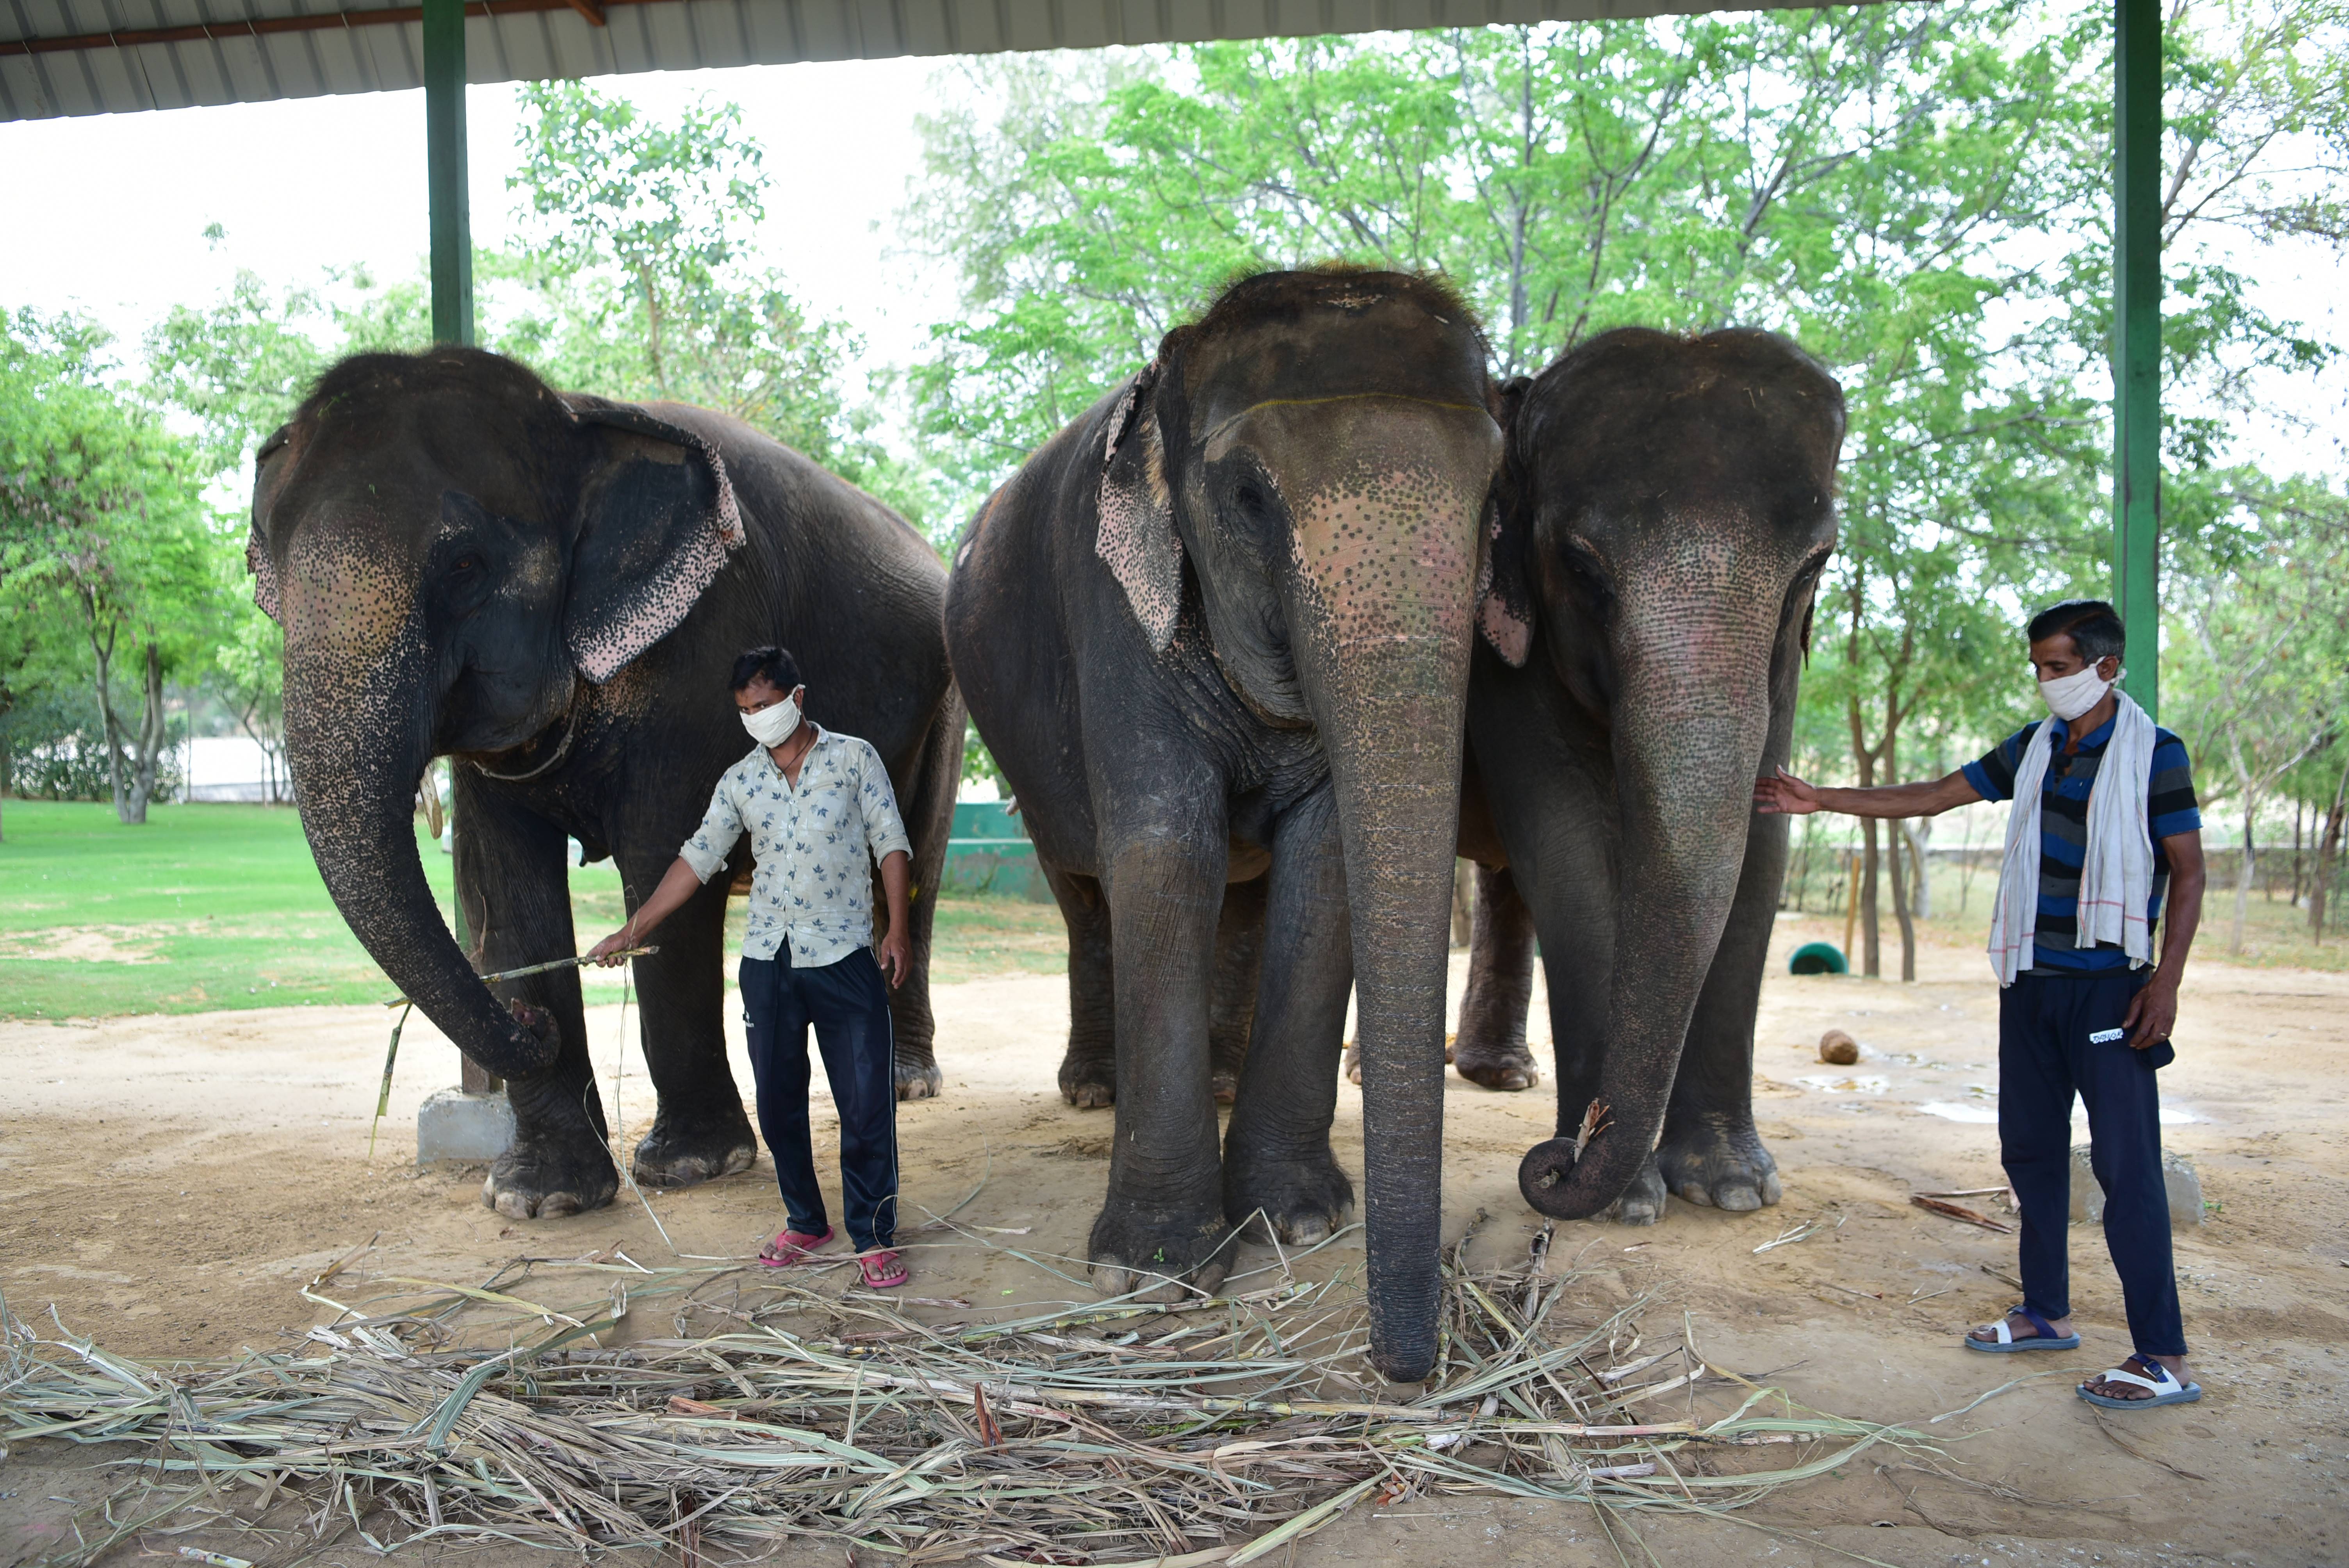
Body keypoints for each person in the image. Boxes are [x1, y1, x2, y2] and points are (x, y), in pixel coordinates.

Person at [1754, 600, 2207, 1411]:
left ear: (2106, 666)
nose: (2045, 682)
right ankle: (2044, 1313)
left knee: (2125, 1168)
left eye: (2059, 667)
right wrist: (1817, 797)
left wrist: (2163, 982)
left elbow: (2188, 870)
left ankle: (2161, 1354)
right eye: (2037, 667)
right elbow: (1934, 795)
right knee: (2028, 1153)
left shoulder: (2154, 755)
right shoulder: (2035, 748)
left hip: (2109, 987)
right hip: (2029, 982)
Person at [590, 646, 914, 1289]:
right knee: (778, 1102)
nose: (755, 718)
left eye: (764, 705)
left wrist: (898, 928)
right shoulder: (741, 781)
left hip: (845, 954)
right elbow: (697, 859)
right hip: (769, 962)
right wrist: (634, 929)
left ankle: (873, 1236)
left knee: (865, 1101)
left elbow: (891, 841)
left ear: (798, 697)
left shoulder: (854, 759)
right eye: (745, 710)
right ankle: (806, 1221)